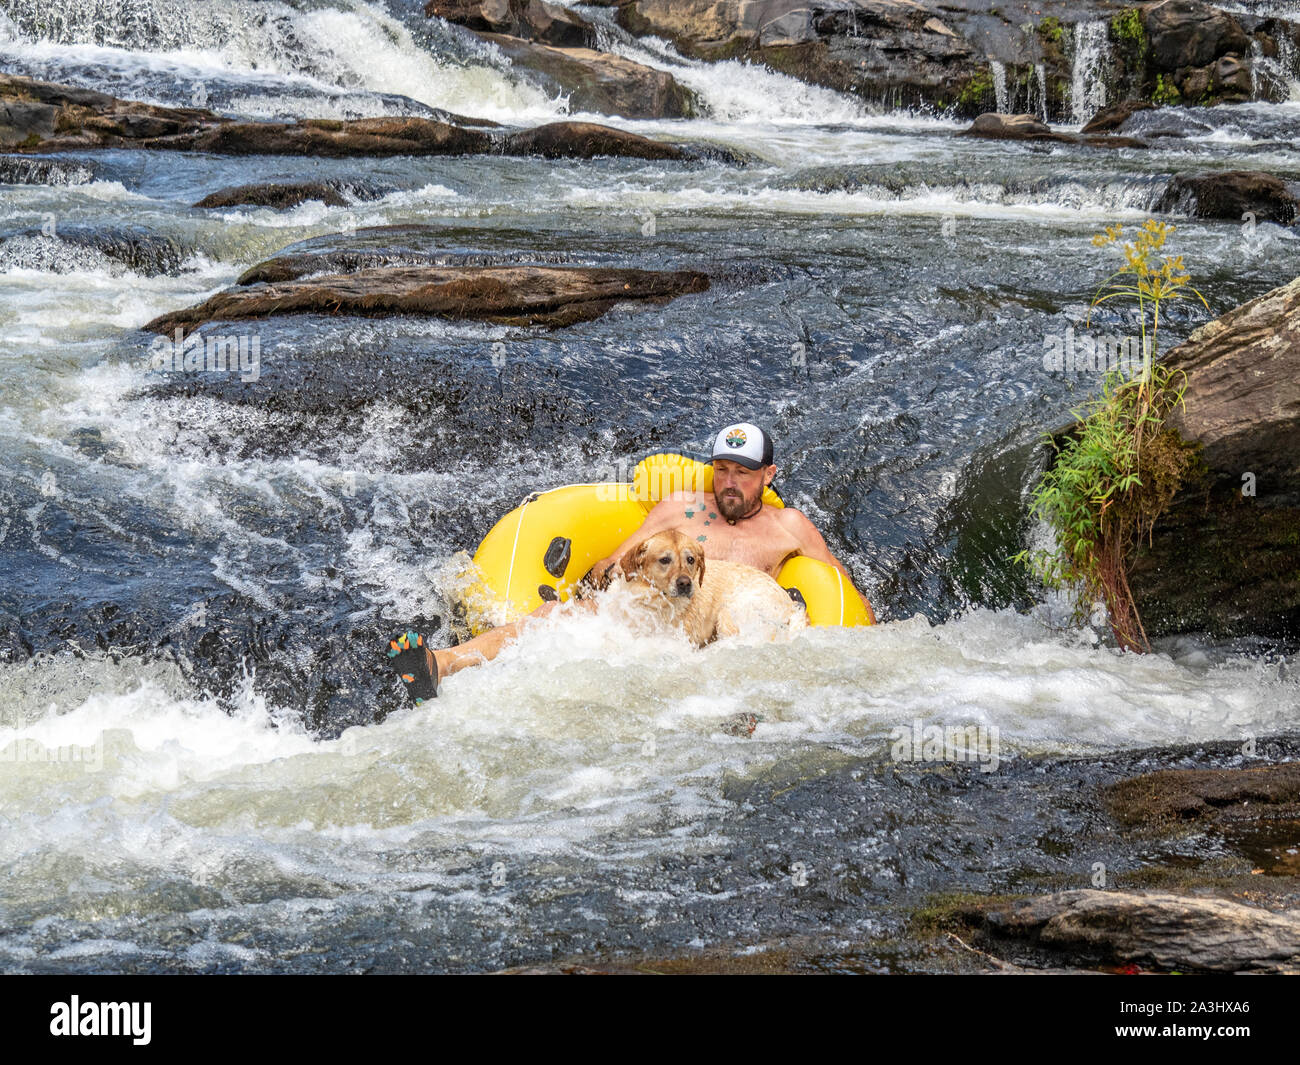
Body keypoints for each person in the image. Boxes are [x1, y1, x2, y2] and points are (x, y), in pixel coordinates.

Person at [386, 421, 869, 703]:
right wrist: (602, 585)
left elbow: (843, 598)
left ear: (769, 474)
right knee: (553, 616)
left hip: (705, 644)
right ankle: (440, 665)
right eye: (721, 470)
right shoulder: (678, 507)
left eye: (743, 474)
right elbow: (612, 566)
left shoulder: (790, 529)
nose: (728, 483)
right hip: (643, 617)